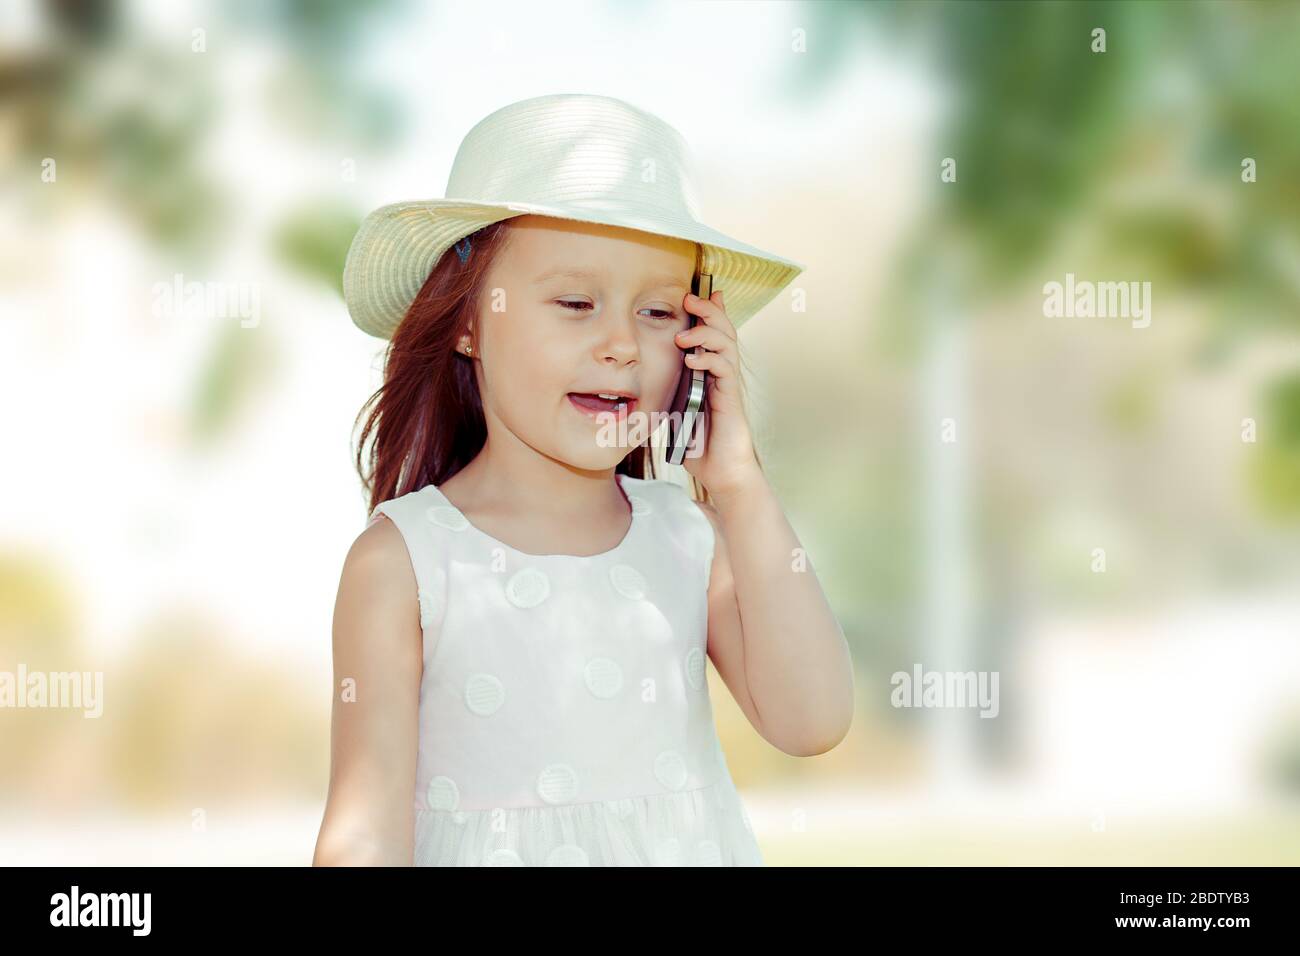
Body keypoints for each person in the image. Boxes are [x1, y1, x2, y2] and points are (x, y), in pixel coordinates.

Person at [314, 93, 853, 866]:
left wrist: (737, 483)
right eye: (575, 302)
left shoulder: (690, 539)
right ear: (467, 322)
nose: (622, 345)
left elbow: (813, 719)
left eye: (661, 313)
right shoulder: (404, 562)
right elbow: (364, 831)